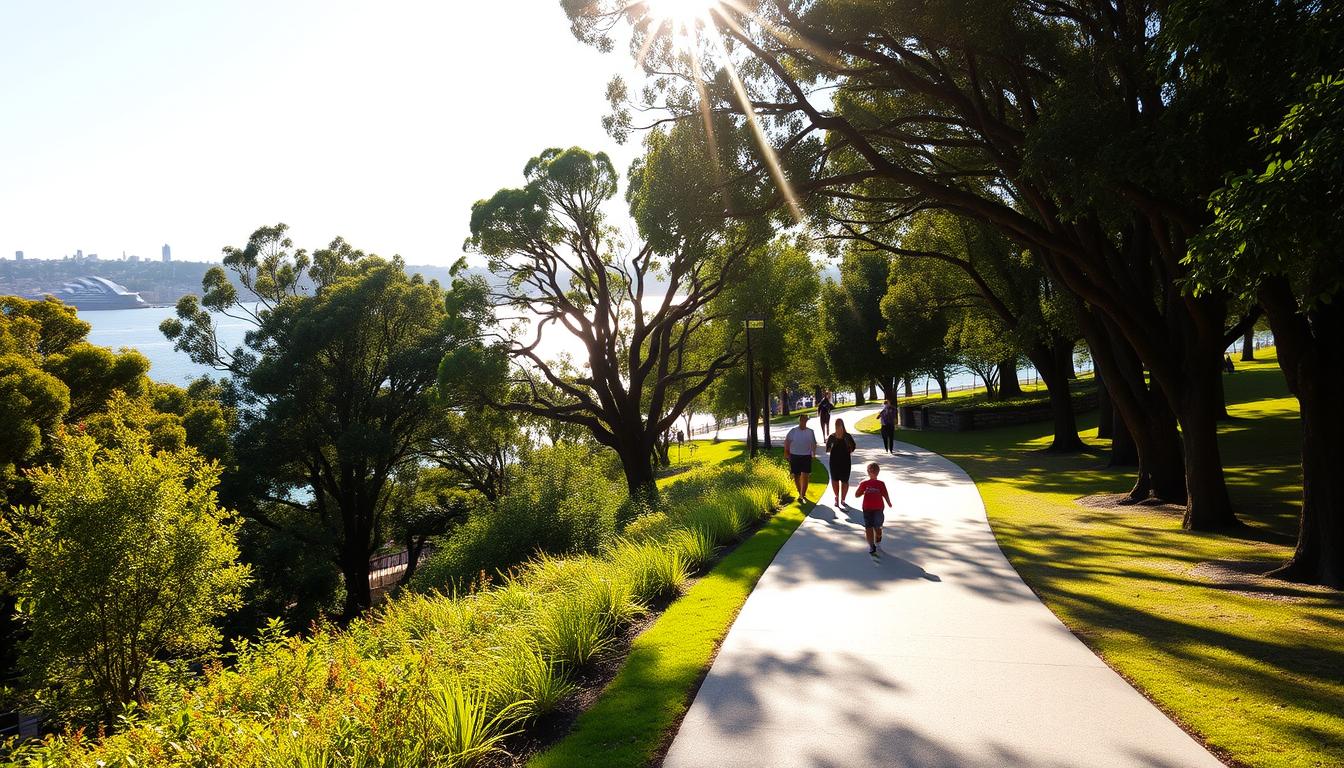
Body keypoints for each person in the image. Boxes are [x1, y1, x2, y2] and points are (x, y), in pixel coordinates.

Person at [855, 461, 892, 555]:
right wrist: (862, 491)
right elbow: (857, 495)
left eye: (874, 470)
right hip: (867, 508)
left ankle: (878, 542)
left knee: (878, 528)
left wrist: (889, 502)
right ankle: (872, 545)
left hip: (878, 508)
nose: (872, 472)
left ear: (878, 472)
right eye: (870, 470)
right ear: (868, 472)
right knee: (868, 527)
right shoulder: (864, 483)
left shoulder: (881, 484)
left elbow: (885, 494)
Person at [783, 413, 818, 501]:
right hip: (795, 455)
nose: (804, 422)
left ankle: (803, 494)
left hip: (806, 455)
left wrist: (813, 453)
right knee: (797, 476)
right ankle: (800, 493)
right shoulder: (793, 431)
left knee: (805, 475)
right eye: (803, 420)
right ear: (800, 421)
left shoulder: (810, 432)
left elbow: (813, 443)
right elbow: (787, 442)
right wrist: (787, 453)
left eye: (806, 420)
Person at [826, 418, 857, 507]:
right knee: (835, 480)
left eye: (839, 425)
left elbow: (853, 447)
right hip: (834, 461)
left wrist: (850, 448)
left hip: (845, 461)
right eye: (837, 425)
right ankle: (836, 497)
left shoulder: (847, 436)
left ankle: (843, 499)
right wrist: (830, 447)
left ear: (842, 425)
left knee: (845, 481)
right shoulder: (832, 437)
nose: (838, 427)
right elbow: (827, 449)